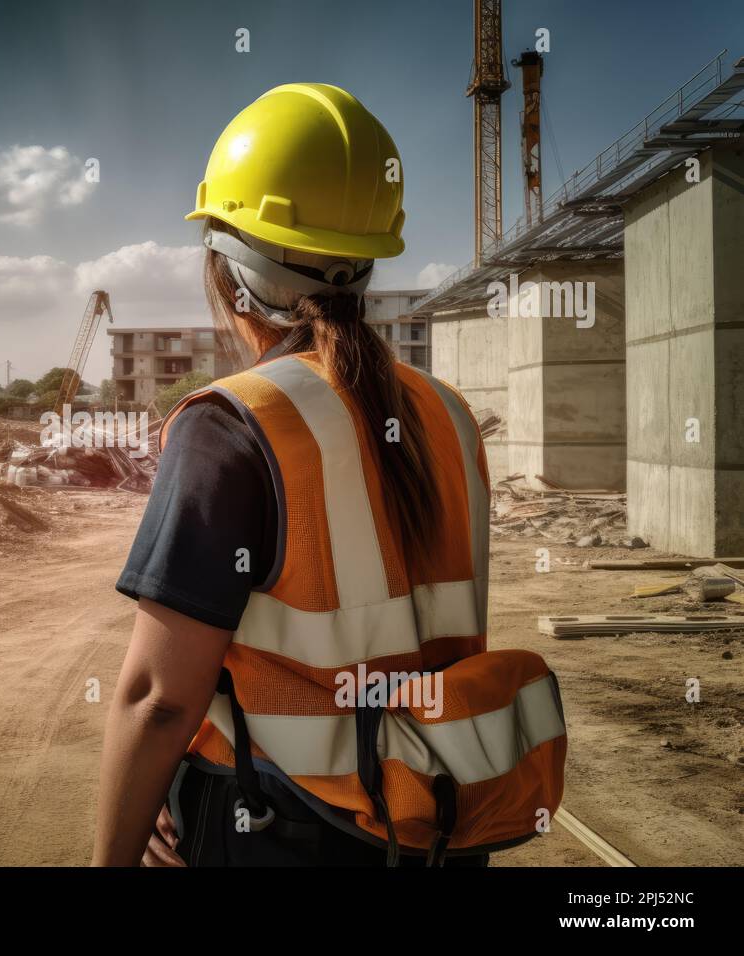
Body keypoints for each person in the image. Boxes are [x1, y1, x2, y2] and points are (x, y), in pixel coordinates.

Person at [93, 84, 502, 867]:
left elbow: (158, 700)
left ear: (230, 272)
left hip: (281, 832)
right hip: (434, 822)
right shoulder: (447, 414)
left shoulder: (230, 425)